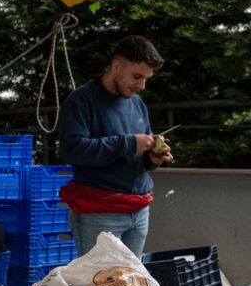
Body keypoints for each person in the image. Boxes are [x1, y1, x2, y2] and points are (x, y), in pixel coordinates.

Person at [58, 35, 172, 257]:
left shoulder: (138, 103)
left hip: (139, 210)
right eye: (137, 76)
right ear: (115, 66)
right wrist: (129, 143)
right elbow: (71, 150)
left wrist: (152, 158)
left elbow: (138, 159)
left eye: (147, 79)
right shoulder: (81, 99)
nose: (141, 85)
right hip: (98, 212)